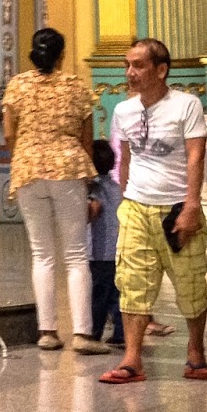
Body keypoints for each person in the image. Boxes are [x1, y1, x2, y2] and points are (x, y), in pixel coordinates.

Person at [99, 38, 207, 384]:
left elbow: (196, 154)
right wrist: (125, 197)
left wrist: (192, 204)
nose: (130, 73)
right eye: (127, 65)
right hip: (135, 207)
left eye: (138, 66)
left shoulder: (186, 105)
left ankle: (195, 351)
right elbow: (126, 157)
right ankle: (132, 359)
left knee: (190, 282)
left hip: (176, 205)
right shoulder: (123, 110)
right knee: (131, 282)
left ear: (161, 70)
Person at [1, 28, 108, 354]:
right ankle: (82, 335)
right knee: (76, 255)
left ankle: (47, 332)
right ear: (61, 55)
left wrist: (30, 153)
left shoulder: (17, 85)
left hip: (28, 171)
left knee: (41, 253)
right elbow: (87, 139)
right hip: (68, 170)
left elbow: (8, 134)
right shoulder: (75, 86)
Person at [87, 139, 123, 347]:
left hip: (99, 252)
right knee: (116, 294)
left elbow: (94, 211)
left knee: (98, 295)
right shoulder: (116, 187)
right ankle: (121, 334)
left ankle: (94, 332)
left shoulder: (94, 190)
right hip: (118, 250)